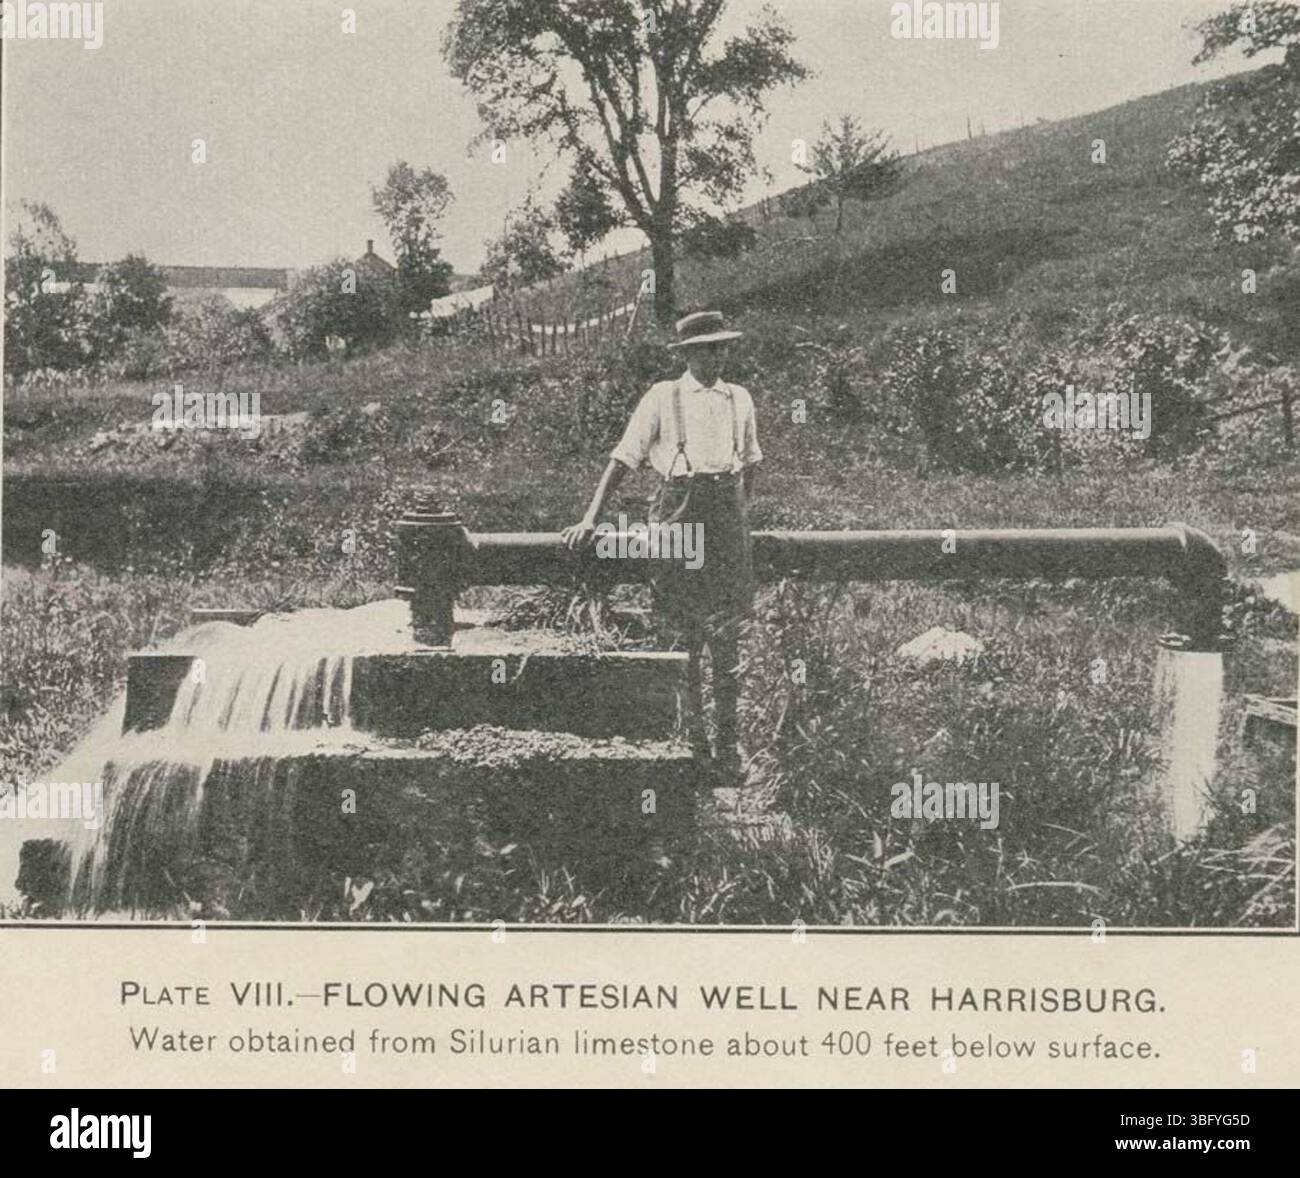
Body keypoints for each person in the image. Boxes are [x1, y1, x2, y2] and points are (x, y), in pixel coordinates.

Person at [561, 310, 762, 780]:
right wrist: (592, 518)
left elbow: (751, 461)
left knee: (728, 639)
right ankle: (690, 751)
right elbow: (622, 460)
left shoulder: (740, 398)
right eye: (708, 348)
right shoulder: (662, 397)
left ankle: (729, 753)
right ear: (688, 353)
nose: (717, 355)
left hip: (726, 519)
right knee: (682, 636)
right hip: (678, 513)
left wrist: (738, 514)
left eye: (722, 346)